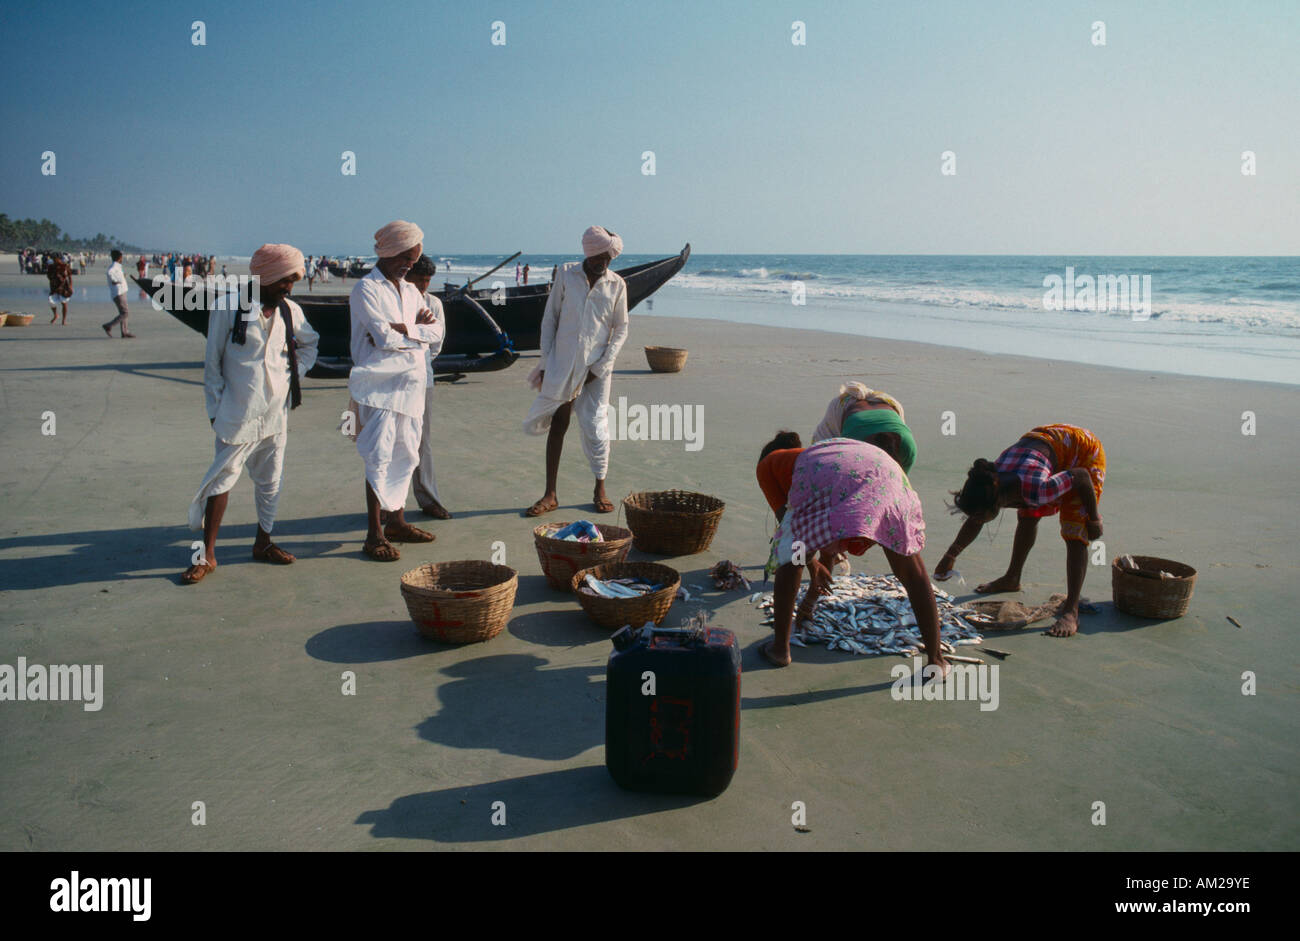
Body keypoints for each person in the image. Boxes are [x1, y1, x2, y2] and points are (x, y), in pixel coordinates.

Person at [182, 244, 320, 585]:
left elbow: (310, 344)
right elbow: (212, 364)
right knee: (221, 480)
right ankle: (207, 554)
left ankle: (263, 543)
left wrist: (294, 374)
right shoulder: (228, 306)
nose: (288, 287)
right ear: (267, 276)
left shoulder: (290, 311)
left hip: (276, 411)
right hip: (237, 411)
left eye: (293, 281)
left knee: (271, 481)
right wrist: (215, 410)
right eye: (284, 280)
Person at [760, 437, 947, 675]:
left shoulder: (767, 466)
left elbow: (795, 530)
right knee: (913, 572)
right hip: (889, 476)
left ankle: (780, 649)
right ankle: (936, 659)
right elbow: (821, 528)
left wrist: (811, 564)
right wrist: (814, 580)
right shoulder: (824, 453)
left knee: (793, 556)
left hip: (846, 479)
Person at [935, 424, 1105, 637]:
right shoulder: (991, 478)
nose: (975, 521)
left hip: (1083, 452)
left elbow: (1080, 476)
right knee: (1028, 512)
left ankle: (1072, 610)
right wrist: (950, 555)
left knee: (1074, 533)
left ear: (998, 502)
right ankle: (1012, 578)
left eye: (979, 515)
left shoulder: (1038, 489)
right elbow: (976, 520)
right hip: (1046, 440)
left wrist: (1093, 517)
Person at [347, 220, 442, 561]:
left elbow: (438, 334)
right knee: (379, 454)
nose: (409, 265)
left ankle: (398, 522)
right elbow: (383, 338)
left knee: (407, 453)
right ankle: (374, 534)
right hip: (380, 386)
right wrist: (416, 333)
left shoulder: (413, 291)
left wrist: (408, 331)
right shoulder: (366, 290)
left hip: (412, 384)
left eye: (414, 260)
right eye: (405, 257)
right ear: (389, 251)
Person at [523, 225, 629, 517]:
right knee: (558, 424)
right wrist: (546, 362)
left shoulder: (616, 284)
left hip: (597, 368)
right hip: (563, 363)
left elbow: (621, 329)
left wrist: (602, 366)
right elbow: (550, 319)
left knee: (596, 426)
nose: (604, 263)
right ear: (589, 252)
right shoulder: (567, 274)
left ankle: (600, 489)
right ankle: (550, 494)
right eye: (600, 257)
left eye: (609, 258)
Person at [402, 255, 451, 519]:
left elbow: (436, 343)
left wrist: (415, 359)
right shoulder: (395, 302)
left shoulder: (434, 304)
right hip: (395, 380)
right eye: (419, 279)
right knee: (393, 441)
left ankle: (428, 499)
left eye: (427, 281)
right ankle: (390, 505)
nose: (423, 285)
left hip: (423, 379)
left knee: (422, 442)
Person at [102, 249, 134, 337]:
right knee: (125, 313)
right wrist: (115, 280)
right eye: (121, 257)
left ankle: (124, 332)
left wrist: (121, 277)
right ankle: (109, 325)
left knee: (123, 313)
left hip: (121, 291)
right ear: (119, 258)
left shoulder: (117, 266)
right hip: (118, 292)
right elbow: (109, 272)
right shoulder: (114, 267)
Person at [46, 253, 73, 324]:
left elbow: (70, 277)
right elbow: (48, 276)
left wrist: (70, 286)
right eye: (53, 259)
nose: (54, 260)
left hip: (63, 287)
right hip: (54, 286)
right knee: (51, 302)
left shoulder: (65, 266)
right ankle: (55, 315)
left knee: (64, 303)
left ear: (59, 259)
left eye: (55, 259)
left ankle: (64, 320)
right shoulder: (51, 267)